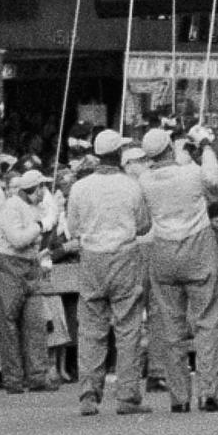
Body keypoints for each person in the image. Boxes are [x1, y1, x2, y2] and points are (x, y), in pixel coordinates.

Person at [131, 124, 218, 416]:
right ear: (170, 148)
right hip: (197, 246)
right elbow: (214, 179)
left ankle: (179, 396)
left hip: (163, 251)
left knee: (171, 326)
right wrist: (205, 146)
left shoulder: (144, 181)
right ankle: (208, 392)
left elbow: (143, 224)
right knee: (208, 320)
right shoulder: (190, 172)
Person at [66, 132, 154, 417]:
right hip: (124, 254)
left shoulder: (80, 187)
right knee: (128, 326)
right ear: (119, 154)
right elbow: (143, 225)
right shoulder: (131, 186)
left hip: (92, 256)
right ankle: (128, 394)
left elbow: (74, 227)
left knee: (91, 327)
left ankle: (88, 393)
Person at [0, 171, 61, 394]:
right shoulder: (10, 207)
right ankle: (13, 379)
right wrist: (41, 224)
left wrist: (49, 219)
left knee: (35, 323)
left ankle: (37, 376)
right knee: (8, 325)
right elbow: (18, 239)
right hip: (7, 265)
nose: (44, 191)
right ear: (32, 188)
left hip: (29, 266)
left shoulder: (38, 207)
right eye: (41, 187)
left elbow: (42, 237)